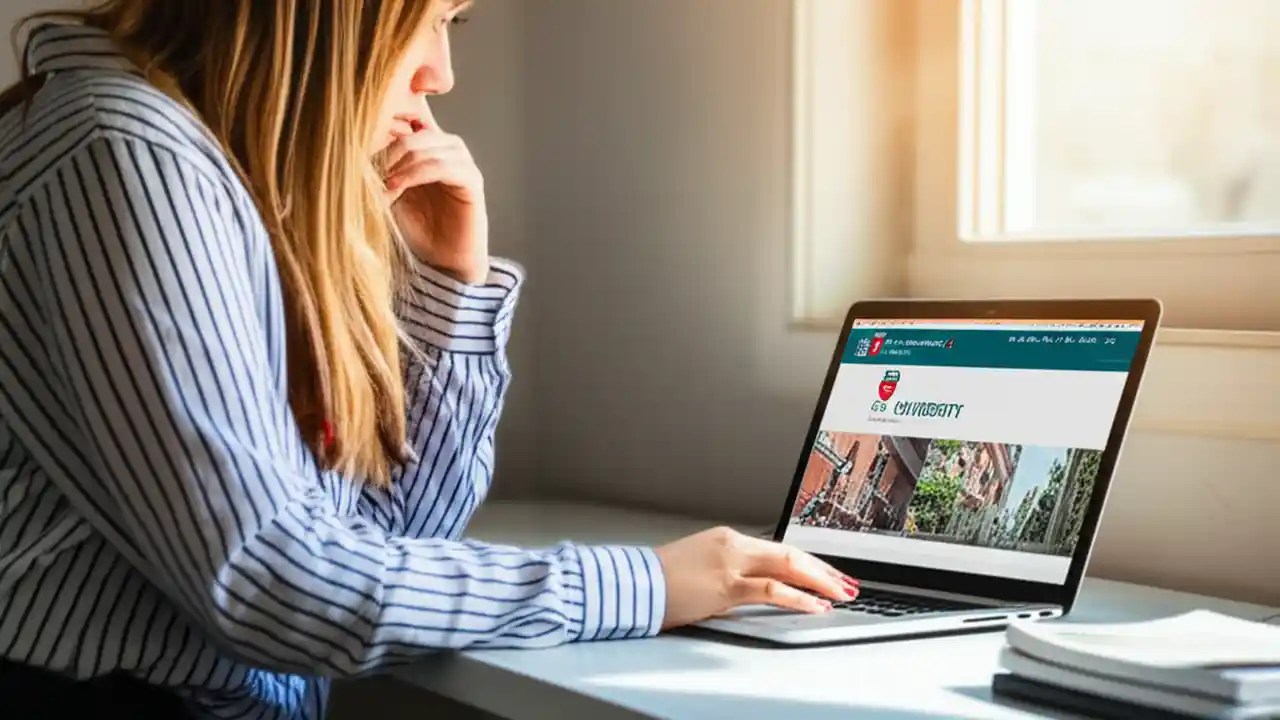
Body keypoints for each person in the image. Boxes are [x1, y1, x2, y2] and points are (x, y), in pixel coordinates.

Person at [0, 1, 860, 717]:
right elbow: (273, 584)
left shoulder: (225, 177)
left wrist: (451, 288)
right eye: (430, 16)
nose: (441, 73)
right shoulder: (127, 153)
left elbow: (393, 541)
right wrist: (649, 583)